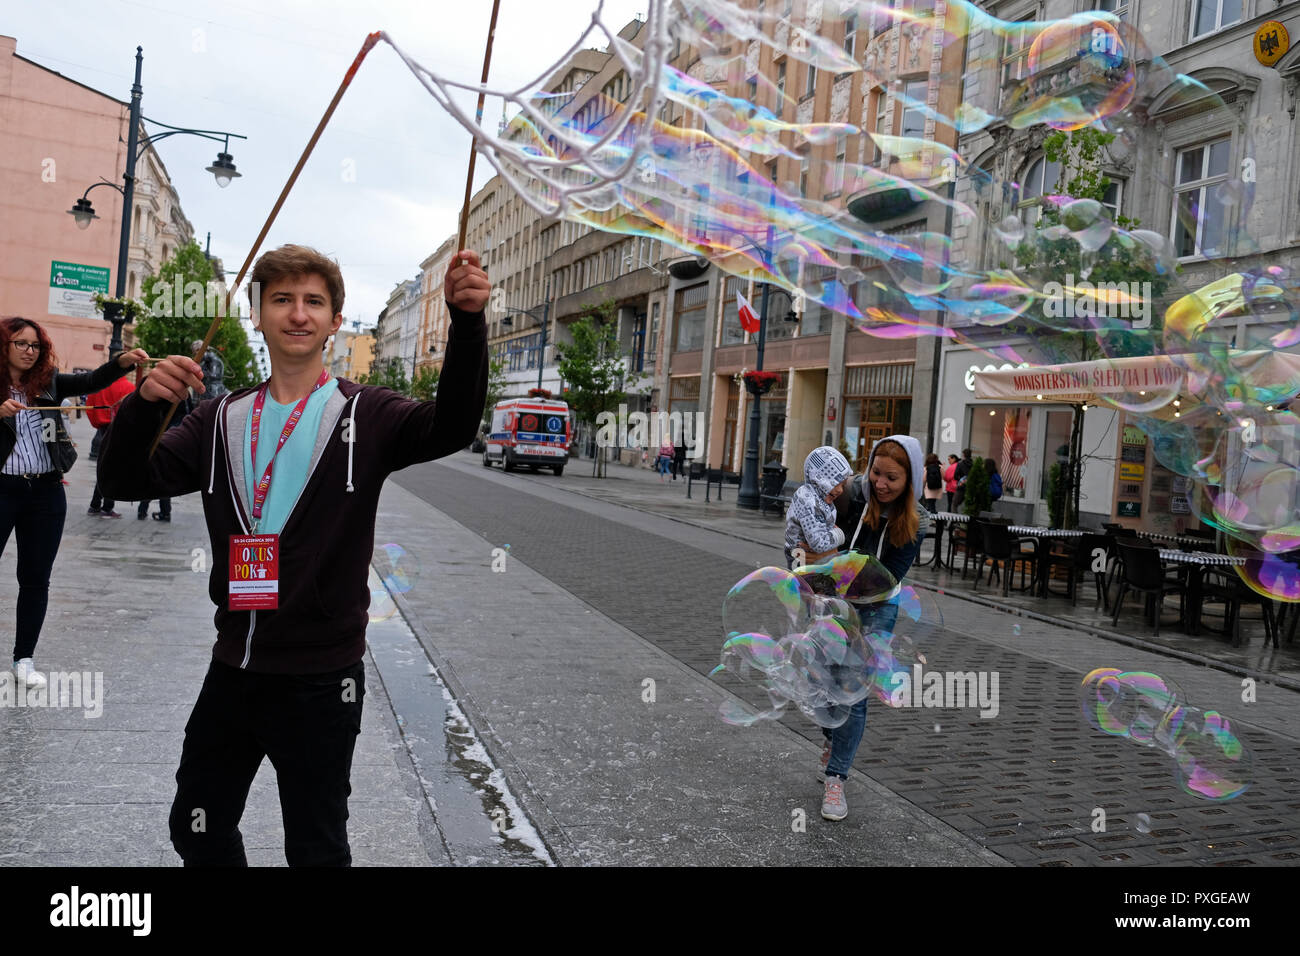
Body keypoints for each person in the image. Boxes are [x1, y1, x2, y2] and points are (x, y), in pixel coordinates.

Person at [97, 244, 489, 866]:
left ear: (336, 321)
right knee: (195, 827)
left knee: (316, 846)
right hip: (234, 667)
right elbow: (123, 479)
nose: (298, 314)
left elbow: (454, 424)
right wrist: (143, 406)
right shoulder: (220, 417)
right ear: (257, 313)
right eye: (281, 299)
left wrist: (467, 321)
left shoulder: (369, 412)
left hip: (321, 679)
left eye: (314, 302)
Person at [1, 316, 146, 688]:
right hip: (2, 488)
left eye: (35, 345)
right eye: (21, 343)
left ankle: (24, 658)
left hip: (46, 491)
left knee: (36, 579)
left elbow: (89, 382)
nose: (29, 351)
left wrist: (121, 363)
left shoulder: (47, 384)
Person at [820, 434, 929, 822]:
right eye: (876, 473)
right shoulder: (850, 496)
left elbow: (890, 576)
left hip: (878, 608)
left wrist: (838, 576)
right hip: (835, 598)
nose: (881, 484)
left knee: (854, 691)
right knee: (825, 677)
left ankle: (837, 778)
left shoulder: (917, 522)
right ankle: (833, 739)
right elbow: (819, 537)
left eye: (892, 478)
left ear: (910, 480)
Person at [783, 445, 853, 569]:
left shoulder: (819, 498)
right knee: (807, 586)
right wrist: (840, 534)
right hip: (801, 556)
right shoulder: (809, 502)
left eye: (844, 485)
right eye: (837, 484)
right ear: (821, 479)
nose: (840, 490)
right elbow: (819, 543)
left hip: (809, 555)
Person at [85, 373, 135, 517]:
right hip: (118, 431)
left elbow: (90, 406)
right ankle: (105, 506)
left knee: (104, 468)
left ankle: (96, 505)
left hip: (102, 430)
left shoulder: (101, 385)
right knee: (112, 471)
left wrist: (97, 422)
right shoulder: (129, 387)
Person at [953, 447, 974, 512]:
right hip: (971, 487)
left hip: (961, 487)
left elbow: (955, 475)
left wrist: (961, 480)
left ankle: (955, 520)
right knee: (969, 505)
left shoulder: (960, 464)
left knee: (954, 504)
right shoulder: (974, 464)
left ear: (964, 455)